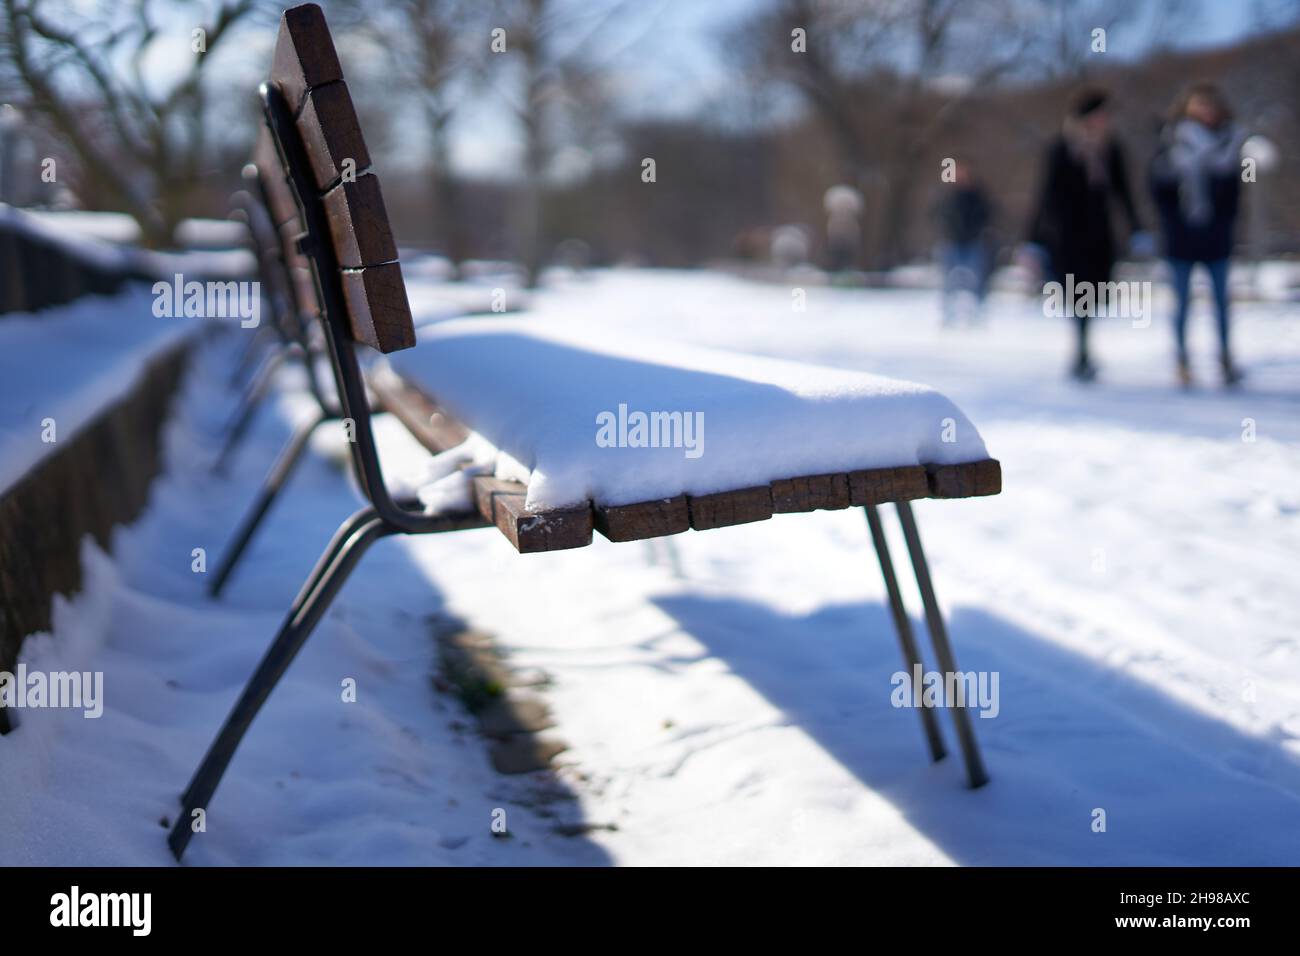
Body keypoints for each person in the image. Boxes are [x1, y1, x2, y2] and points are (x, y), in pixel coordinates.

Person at [1028, 88, 1143, 382]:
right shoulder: (1061, 148)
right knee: (1077, 294)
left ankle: (1083, 348)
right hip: (1066, 235)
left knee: (1095, 294)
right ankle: (1081, 352)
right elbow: (1046, 195)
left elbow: (1123, 192)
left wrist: (1137, 227)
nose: (1106, 120)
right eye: (1101, 114)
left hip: (1099, 234)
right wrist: (1033, 237)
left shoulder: (1111, 149)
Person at [1149, 83, 1247, 387]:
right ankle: (1182, 360)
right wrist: (1174, 223)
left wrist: (1223, 221)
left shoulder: (1230, 144)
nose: (1206, 111)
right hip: (1181, 238)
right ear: (1188, 107)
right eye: (1199, 104)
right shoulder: (1171, 143)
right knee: (1182, 302)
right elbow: (1157, 189)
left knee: (1221, 301)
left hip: (1216, 236)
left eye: (1210, 105)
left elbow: (1236, 190)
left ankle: (1225, 357)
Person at [933, 159, 994, 325]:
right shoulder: (950, 196)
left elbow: (988, 214)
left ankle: (978, 311)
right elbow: (938, 213)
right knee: (948, 279)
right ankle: (948, 313)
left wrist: (980, 231)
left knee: (977, 278)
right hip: (953, 242)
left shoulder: (978, 195)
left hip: (973, 242)